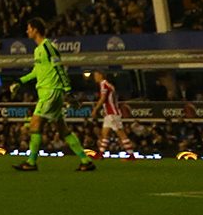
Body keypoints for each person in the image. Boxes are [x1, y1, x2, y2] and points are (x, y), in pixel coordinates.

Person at [13, 18, 91, 172]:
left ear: (35, 29)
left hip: (50, 92)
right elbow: (36, 71)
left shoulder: (49, 47)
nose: (27, 31)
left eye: (28, 28)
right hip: (49, 92)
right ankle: (85, 160)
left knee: (35, 125)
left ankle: (31, 162)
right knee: (62, 130)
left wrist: (68, 90)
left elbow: (59, 68)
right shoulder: (38, 50)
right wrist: (19, 81)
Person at [89, 72, 131, 161]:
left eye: (96, 75)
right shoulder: (109, 85)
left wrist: (95, 109)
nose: (95, 77)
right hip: (109, 114)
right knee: (104, 134)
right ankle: (100, 154)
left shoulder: (103, 84)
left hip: (112, 114)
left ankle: (131, 155)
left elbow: (103, 98)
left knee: (121, 134)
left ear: (101, 75)